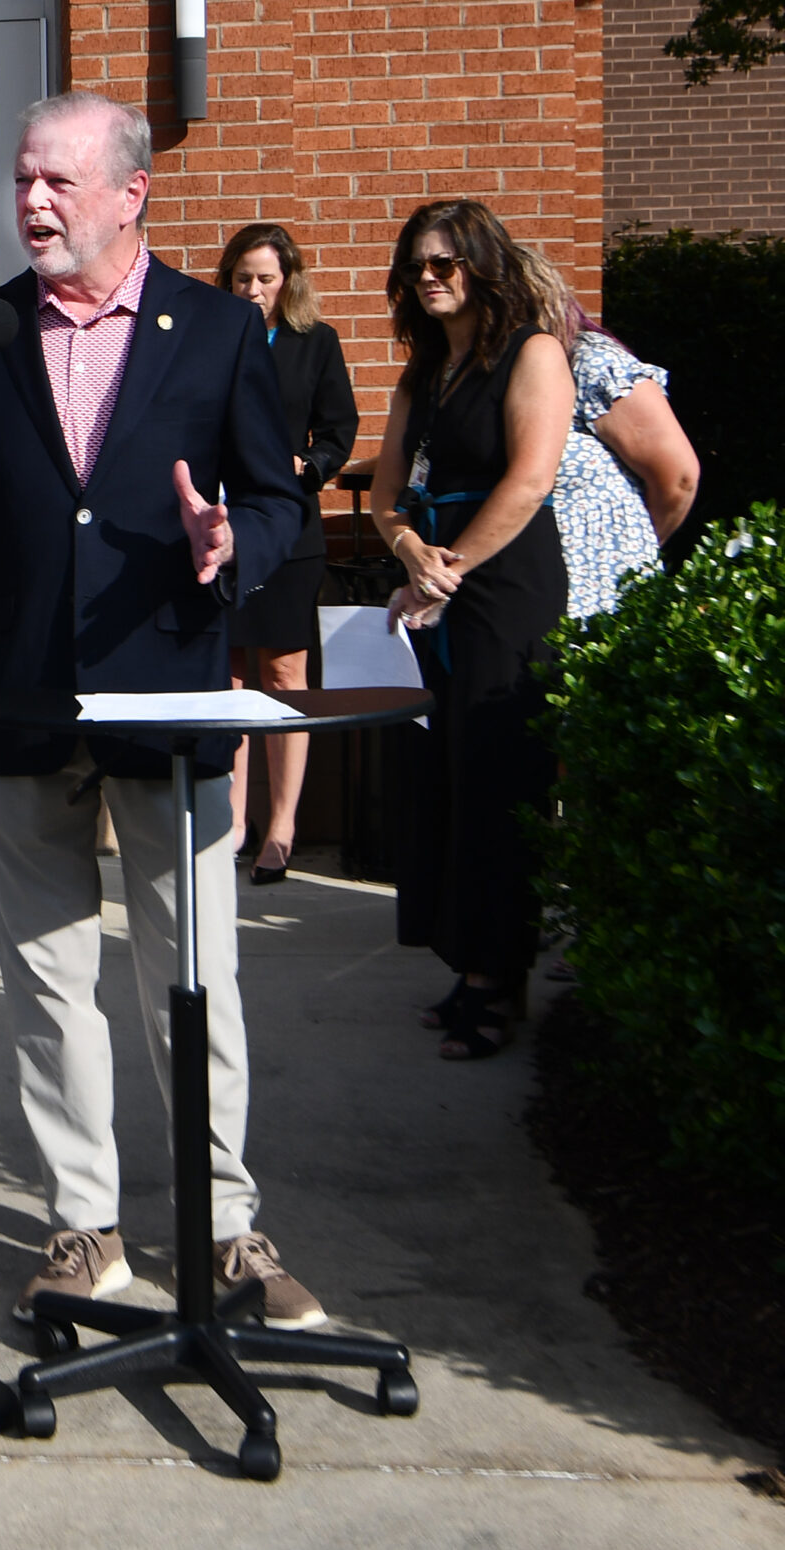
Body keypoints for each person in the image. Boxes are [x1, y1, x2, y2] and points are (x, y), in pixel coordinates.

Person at [0, 93, 323, 1329]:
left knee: (186, 984)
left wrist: (229, 540)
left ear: (130, 193)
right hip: (23, 699)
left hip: (168, 696)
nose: (30, 202)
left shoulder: (211, 332)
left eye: (57, 181)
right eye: (22, 178)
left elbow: (278, 500)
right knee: (46, 980)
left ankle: (222, 1229)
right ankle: (82, 1229)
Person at [369, 201, 574, 1059]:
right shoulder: (422, 376)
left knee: (498, 777)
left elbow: (529, 482)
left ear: (483, 268)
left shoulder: (530, 355)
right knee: (445, 777)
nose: (430, 277)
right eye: (419, 264)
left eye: (447, 263)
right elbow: (382, 497)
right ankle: (468, 964)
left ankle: (500, 979)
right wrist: (412, 548)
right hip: (435, 585)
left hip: (505, 586)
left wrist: (449, 570)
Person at [215, 225, 359, 883]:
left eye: (265, 279)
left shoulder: (315, 342)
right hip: (228, 526)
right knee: (234, 676)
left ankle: (282, 827)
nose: (253, 290)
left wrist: (310, 467)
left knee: (285, 677)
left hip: (293, 530)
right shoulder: (210, 341)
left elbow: (339, 429)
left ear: (288, 281)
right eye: (243, 278)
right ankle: (234, 821)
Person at [514, 247, 700, 619]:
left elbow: (678, 478)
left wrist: (633, 549)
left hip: (600, 597)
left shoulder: (590, 362)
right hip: (524, 590)